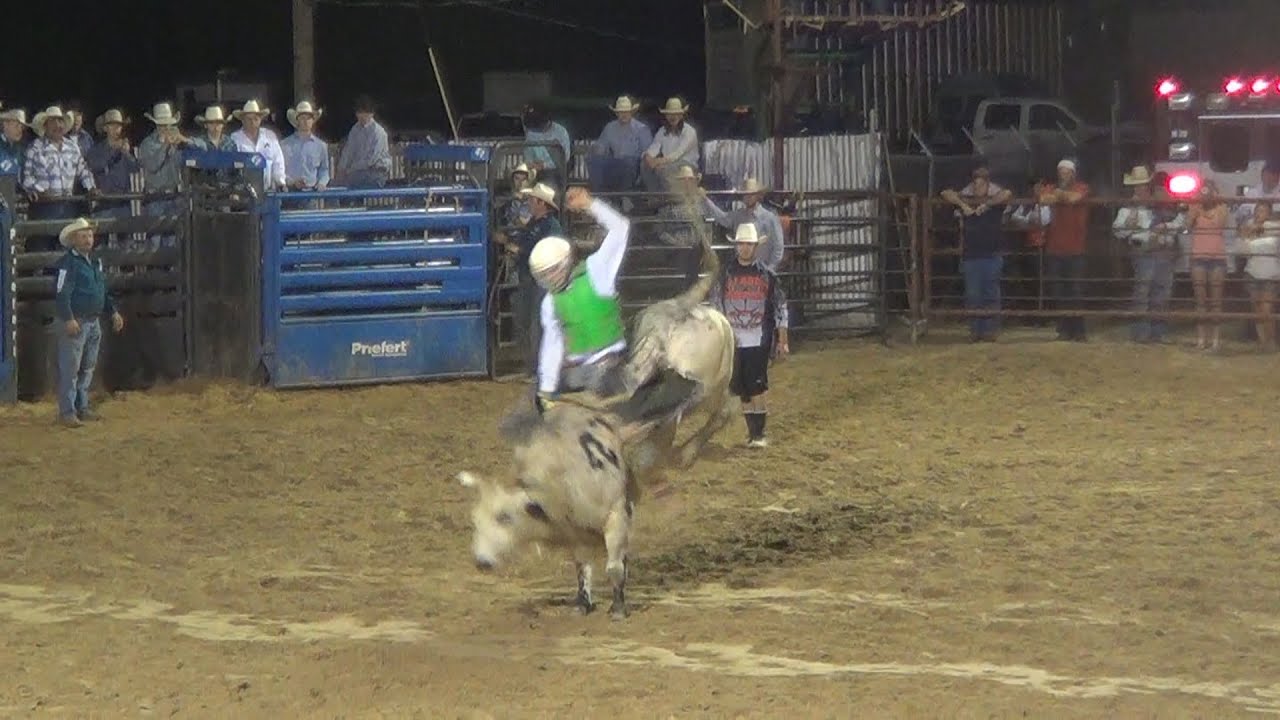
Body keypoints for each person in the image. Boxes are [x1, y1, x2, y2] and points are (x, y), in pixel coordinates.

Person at [529, 188, 630, 409]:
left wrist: (590, 205)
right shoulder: (550, 303)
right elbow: (552, 345)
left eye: (552, 271)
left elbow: (621, 228)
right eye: (544, 274)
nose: (549, 278)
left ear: (565, 263)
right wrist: (545, 389)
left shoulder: (596, 270)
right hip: (579, 372)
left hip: (611, 366)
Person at [708, 223, 789, 448]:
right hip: (733, 341)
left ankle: (758, 433)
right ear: (737, 246)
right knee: (741, 387)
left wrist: (783, 340)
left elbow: (780, 307)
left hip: (758, 340)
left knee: (756, 385)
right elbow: (716, 306)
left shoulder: (767, 276)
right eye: (741, 243)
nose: (744, 248)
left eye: (748, 244)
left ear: (755, 246)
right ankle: (753, 432)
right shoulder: (725, 274)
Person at [54, 218, 124, 428]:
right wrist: (68, 318)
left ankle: (80, 408)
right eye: (83, 236)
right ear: (74, 240)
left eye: (89, 235)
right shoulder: (68, 264)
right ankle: (69, 411)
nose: (87, 239)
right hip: (79, 320)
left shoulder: (94, 263)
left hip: (91, 320)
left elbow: (102, 291)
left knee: (85, 367)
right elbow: (61, 293)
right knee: (73, 368)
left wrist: (113, 312)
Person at [941, 163, 1012, 342]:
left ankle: (989, 331)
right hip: (971, 256)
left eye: (981, 184)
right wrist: (963, 205)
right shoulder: (967, 198)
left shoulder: (994, 201)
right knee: (974, 295)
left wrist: (986, 205)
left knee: (990, 294)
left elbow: (1007, 193)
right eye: (976, 183)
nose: (978, 187)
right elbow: (945, 193)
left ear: (988, 184)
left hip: (992, 254)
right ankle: (976, 331)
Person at [1186, 180, 1230, 351]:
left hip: (1217, 257)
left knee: (1216, 300)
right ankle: (1201, 339)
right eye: (1203, 190)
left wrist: (1214, 200)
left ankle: (1215, 340)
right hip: (1198, 256)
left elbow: (1222, 223)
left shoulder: (1221, 207)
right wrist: (1195, 207)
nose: (1206, 194)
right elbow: (1187, 225)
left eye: (1209, 191)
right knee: (1200, 300)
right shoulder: (1194, 207)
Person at [1238, 201, 1280, 351]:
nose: (1259, 213)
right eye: (1257, 210)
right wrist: (1247, 233)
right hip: (1253, 271)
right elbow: (1242, 251)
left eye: (1262, 210)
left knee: (1267, 309)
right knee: (1257, 309)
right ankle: (1263, 342)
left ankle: (1272, 341)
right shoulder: (1248, 227)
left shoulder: (1276, 227)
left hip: (1271, 273)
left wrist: (1258, 228)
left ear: (1269, 213)